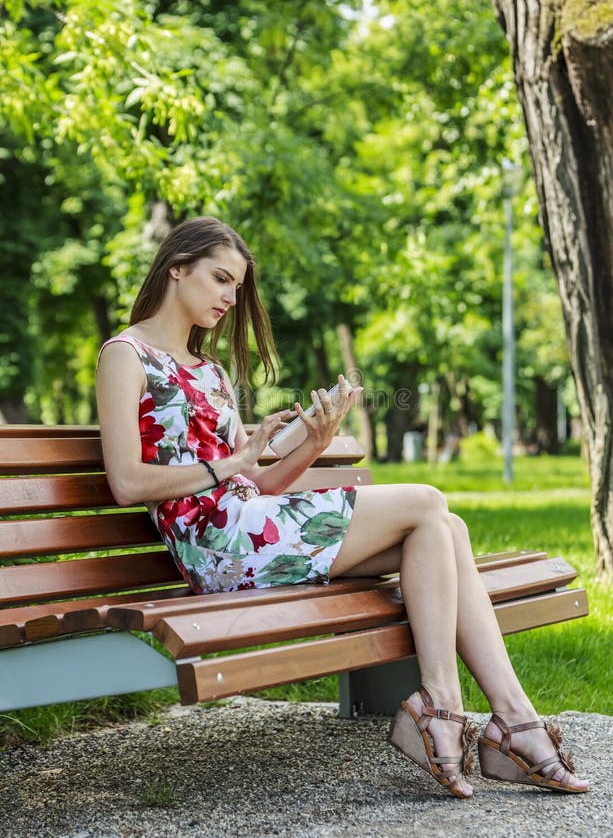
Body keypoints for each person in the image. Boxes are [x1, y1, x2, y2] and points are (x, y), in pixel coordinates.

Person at [96, 215, 588, 800]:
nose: (231, 297)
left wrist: (315, 444)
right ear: (177, 268)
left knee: (444, 528)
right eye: (220, 279)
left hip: (250, 527)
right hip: (215, 548)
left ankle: (505, 717)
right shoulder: (127, 354)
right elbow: (126, 482)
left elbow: (261, 484)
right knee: (428, 503)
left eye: (238, 286)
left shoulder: (212, 372)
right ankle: (453, 711)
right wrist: (233, 463)